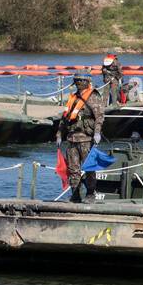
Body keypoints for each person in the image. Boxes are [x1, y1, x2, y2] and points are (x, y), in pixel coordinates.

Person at [57, 72, 104, 203]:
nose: (78, 83)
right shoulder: (73, 97)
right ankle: (75, 194)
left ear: (87, 82)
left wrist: (97, 132)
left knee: (89, 168)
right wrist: (59, 134)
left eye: (81, 81)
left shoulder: (93, 96)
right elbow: (65, 117)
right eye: (76, 81)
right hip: (72, 138)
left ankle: (90, 194)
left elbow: (99, 116)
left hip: (86, 138)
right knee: (73, 169)